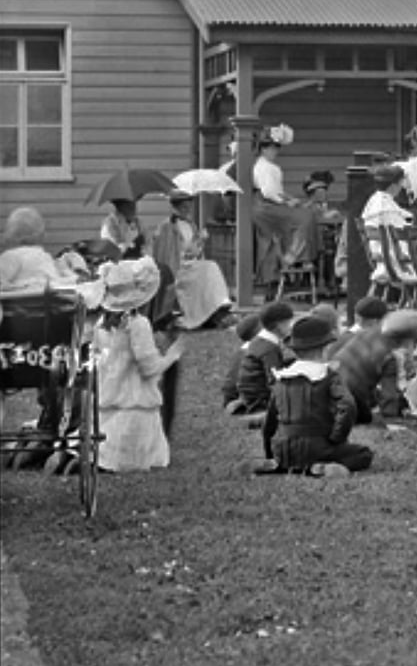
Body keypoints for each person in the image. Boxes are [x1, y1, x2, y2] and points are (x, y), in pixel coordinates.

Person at [251, 315, 374, 476]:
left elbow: (269, 422)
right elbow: (348, 406)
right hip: (319, 446)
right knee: (363, 454)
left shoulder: (281, 378)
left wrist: (270, 452)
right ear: (325, 348)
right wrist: (336, 439)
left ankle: (277, 464)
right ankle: (317, 468)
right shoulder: (328, 376)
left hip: (283, 447)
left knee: (288, 456)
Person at [94, 258, 185, 472]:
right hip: (134, 404)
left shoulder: (101, 325)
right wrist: (172, 355)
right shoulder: (137, 324)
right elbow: (149, 368)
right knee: (149, 457)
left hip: (107, 400)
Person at [150, 192, 233, 331]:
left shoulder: (191, 224)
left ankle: (218, 306)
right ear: (175, 207)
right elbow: (165, 253)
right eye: (183, 207)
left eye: (188, 207)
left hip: (190, 264)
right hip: (177, 268)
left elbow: (194, 251)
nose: (187, 210)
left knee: (211, 267)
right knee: (208, 269)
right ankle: (211, 310)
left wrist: (200, 240)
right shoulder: (166, 227)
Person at [250, 126, 319, 288]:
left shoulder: (266, 166)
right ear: (263, 149)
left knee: (304, 213)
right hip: (265, 207)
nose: (275, 151)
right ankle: (296, 256)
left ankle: (298, 255)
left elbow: (277, 191)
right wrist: (287, 202)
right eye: (272, 148)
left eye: (276, 148)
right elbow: (268, 192)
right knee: (305, 217)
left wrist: (290, 198)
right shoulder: (266, 167)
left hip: (265, 206)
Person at [223, 302, 295, 418]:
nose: (291, 326)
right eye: (288, 323)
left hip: (248, 396)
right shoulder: (269, 348)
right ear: (279, 325)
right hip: (259, 400)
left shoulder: (259, 341)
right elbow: (274, 379)